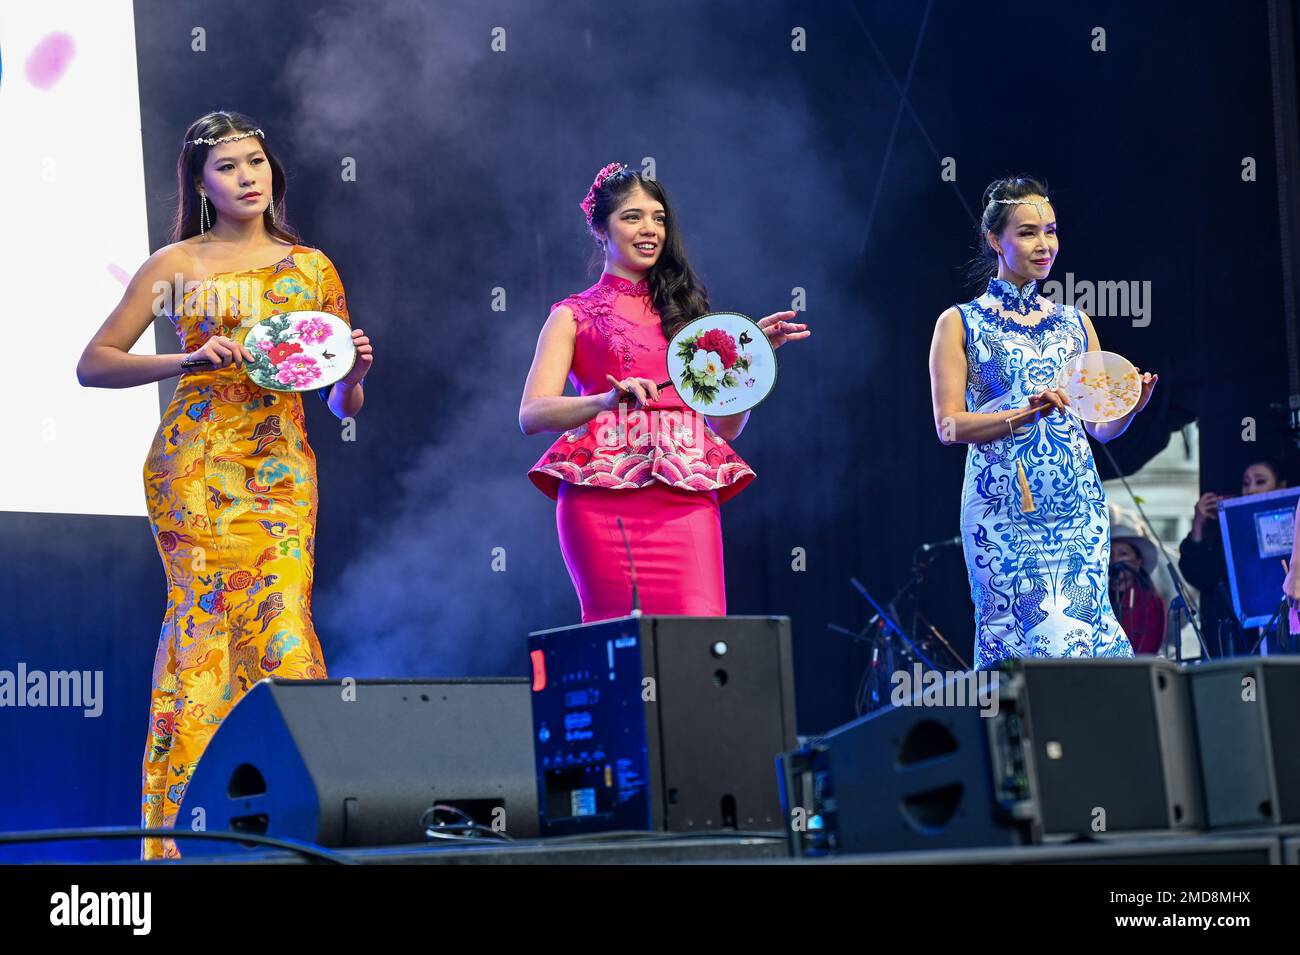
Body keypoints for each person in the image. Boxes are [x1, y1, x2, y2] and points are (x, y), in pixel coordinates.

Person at [76, 111, 374, 860]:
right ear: (201, 184)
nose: (247, 177)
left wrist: (357, 374)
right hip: (197, 466)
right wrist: (185, 361)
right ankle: (186, 839)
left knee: (281, 627)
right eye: (229, 167)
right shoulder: (176, 265)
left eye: (256, 163)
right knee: (204, 634)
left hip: (281, 468)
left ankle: (297, 830)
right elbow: (96, 361)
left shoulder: (313, 269)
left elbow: (339, 399)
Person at [519, 163, 809, 622]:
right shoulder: (571, 315)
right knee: (620, 643)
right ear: (600, 228)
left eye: (658, 217)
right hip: (601, 496)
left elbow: (726, 429)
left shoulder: (691, 316)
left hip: (686, 493)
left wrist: (750, 365)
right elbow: (532, 414)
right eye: (632, 217)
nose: (650, 228)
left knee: (700, 636)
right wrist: (603, 402)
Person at [927, 176, 1158, 668]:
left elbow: (1099, 428)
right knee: (1026, 652)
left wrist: (1130, 406)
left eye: (1050, 231)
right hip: (1003, 513)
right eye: (1028, 232)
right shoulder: (960, 323)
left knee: (1090, 649)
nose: (1044, 244)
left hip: (1077, 512)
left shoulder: (1076, 323)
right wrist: (1024, 414)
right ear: (995, 241)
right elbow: (949, 427)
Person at [1180, 458, 1288, 656]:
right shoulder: (1229, 534)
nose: (1251, 489)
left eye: (1260, 481)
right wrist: (1198, 525)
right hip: (1244, 641)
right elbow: (1200, 576)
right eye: (1246, 483)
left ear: (1281, 486)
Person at [1108, 523, 1167, 655]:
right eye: (1110, 554)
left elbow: (1148, 649)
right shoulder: (1096, 597)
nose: (1115, 560)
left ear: (1138, 561)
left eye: (1123, 554)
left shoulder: (1151, 602)